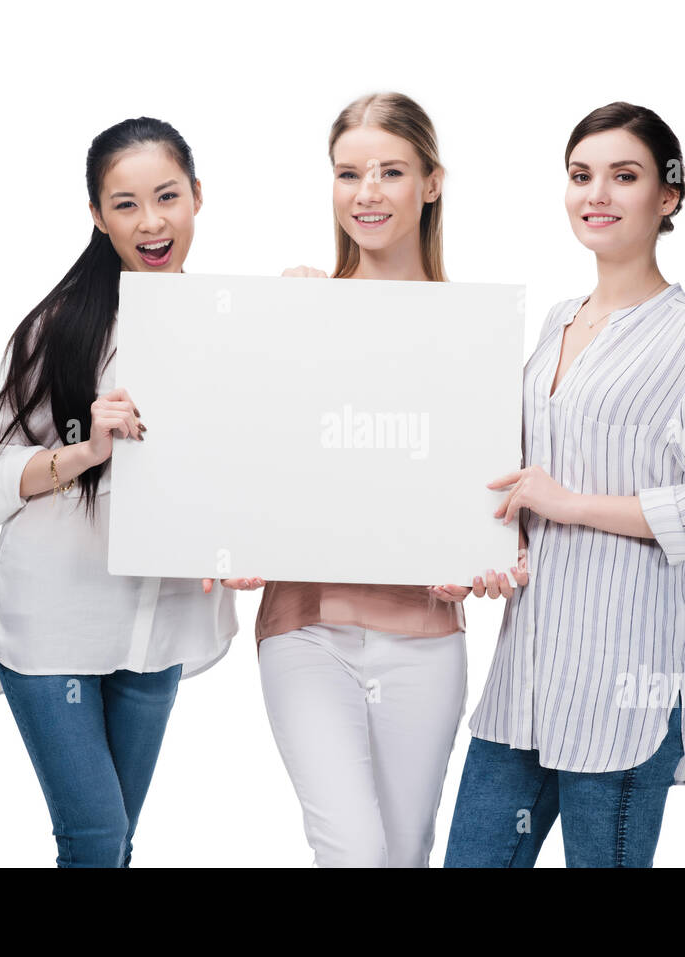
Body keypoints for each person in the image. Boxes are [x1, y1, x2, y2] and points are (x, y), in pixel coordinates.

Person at [441, 101, 685, 868]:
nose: (597, 194)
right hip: (527, 676)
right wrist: (496, 537)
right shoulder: (556, 320)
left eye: (625, 176)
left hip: (626, 682)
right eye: (582, 176)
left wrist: (568, 504)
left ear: (668, 197)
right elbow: (522, 473)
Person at [228, 92, 506, 867]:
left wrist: (484, 558)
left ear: (432, 181)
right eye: (349, 174)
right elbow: (247, 456)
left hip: (423, 634)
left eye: (390, 171)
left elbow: (481, 488)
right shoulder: (298, 304)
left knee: (404, 853)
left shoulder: (473, 333)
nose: (368, 192)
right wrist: (225, 538)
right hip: (307, 626)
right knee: (351, 849)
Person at [0, 117, 237, 867]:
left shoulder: (230, 327)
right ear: (96, 215)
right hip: (55, 620)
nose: (151, 222)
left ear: (198, 198)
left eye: (167, 196)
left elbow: (251, 466)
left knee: (115, 844)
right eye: (125, 204)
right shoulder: (64, 325)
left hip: (162, 622)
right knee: (95, 837)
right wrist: (86, 450)